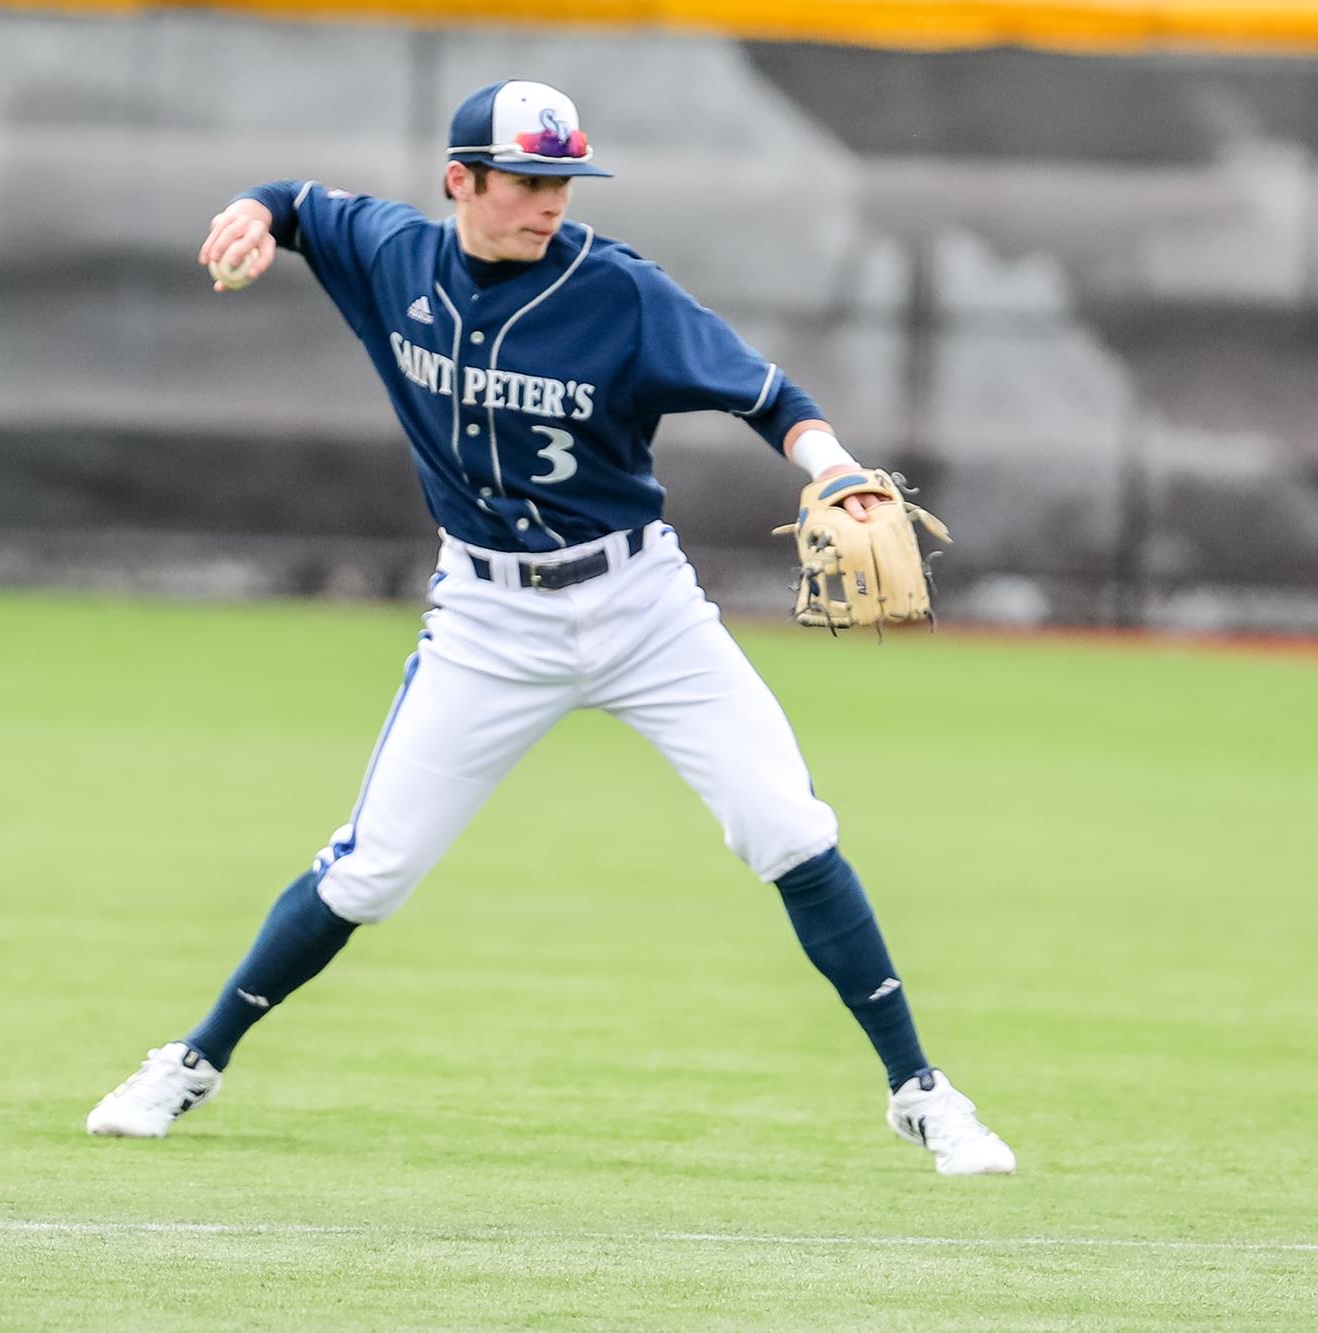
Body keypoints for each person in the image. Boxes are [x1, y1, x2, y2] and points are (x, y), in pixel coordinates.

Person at [86, 79, 1016, 1176]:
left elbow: (769, 397)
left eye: (562, 181)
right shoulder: (393, 255)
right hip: (485, 619)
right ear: (459, 182)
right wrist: (248, 210)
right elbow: (294, 204)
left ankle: (918, 1091)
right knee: (370, 869)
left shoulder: (617, 292)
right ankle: (192, 1060)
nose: (548, 203)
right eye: (527, 181)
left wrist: (838, 471)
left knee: (786, 826)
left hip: (640, 608)